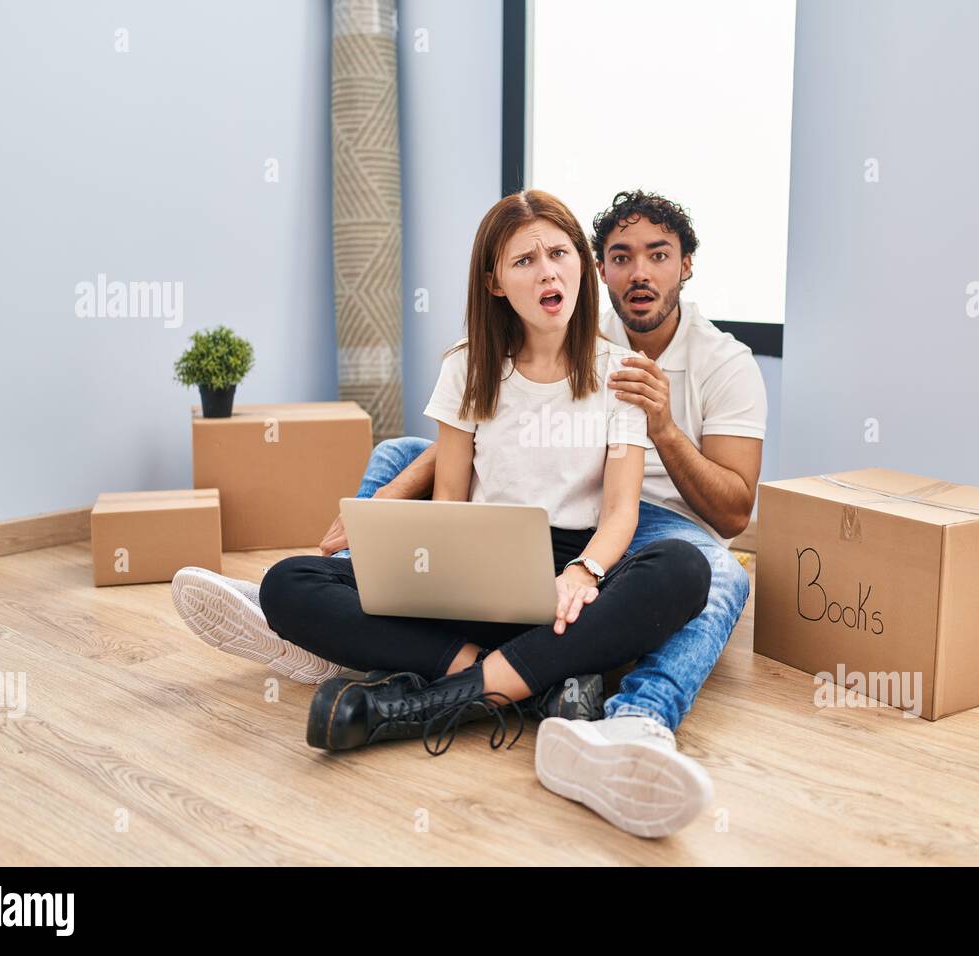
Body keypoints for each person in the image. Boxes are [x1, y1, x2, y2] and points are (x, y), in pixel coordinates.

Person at [171, 189, 712, 775]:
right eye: (524, 261)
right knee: (288, 582)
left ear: (583, 263)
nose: (547, 271)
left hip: (569, 580)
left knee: (683, 568)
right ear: (495, 283)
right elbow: (449, 498)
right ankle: (531, 680)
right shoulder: (467, 366)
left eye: (559, 253)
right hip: (476, 567)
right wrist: (424, 563)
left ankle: (430, 700)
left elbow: (619, 515)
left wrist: (583, 573)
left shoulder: (623, 375)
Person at [313, 190, 768, 838]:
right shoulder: (569, 316)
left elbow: (733, 511)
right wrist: (386, 501)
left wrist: (663, 425)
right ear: (600, 268)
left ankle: (633, 721)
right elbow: (468, 426)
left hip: (654, 516)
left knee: (717, 571)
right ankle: (353, 582)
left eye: (658, 256)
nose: (639, 273)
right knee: (398, 452)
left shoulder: (724, 364)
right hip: (536, 502)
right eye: (620, 257)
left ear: (686, 266)